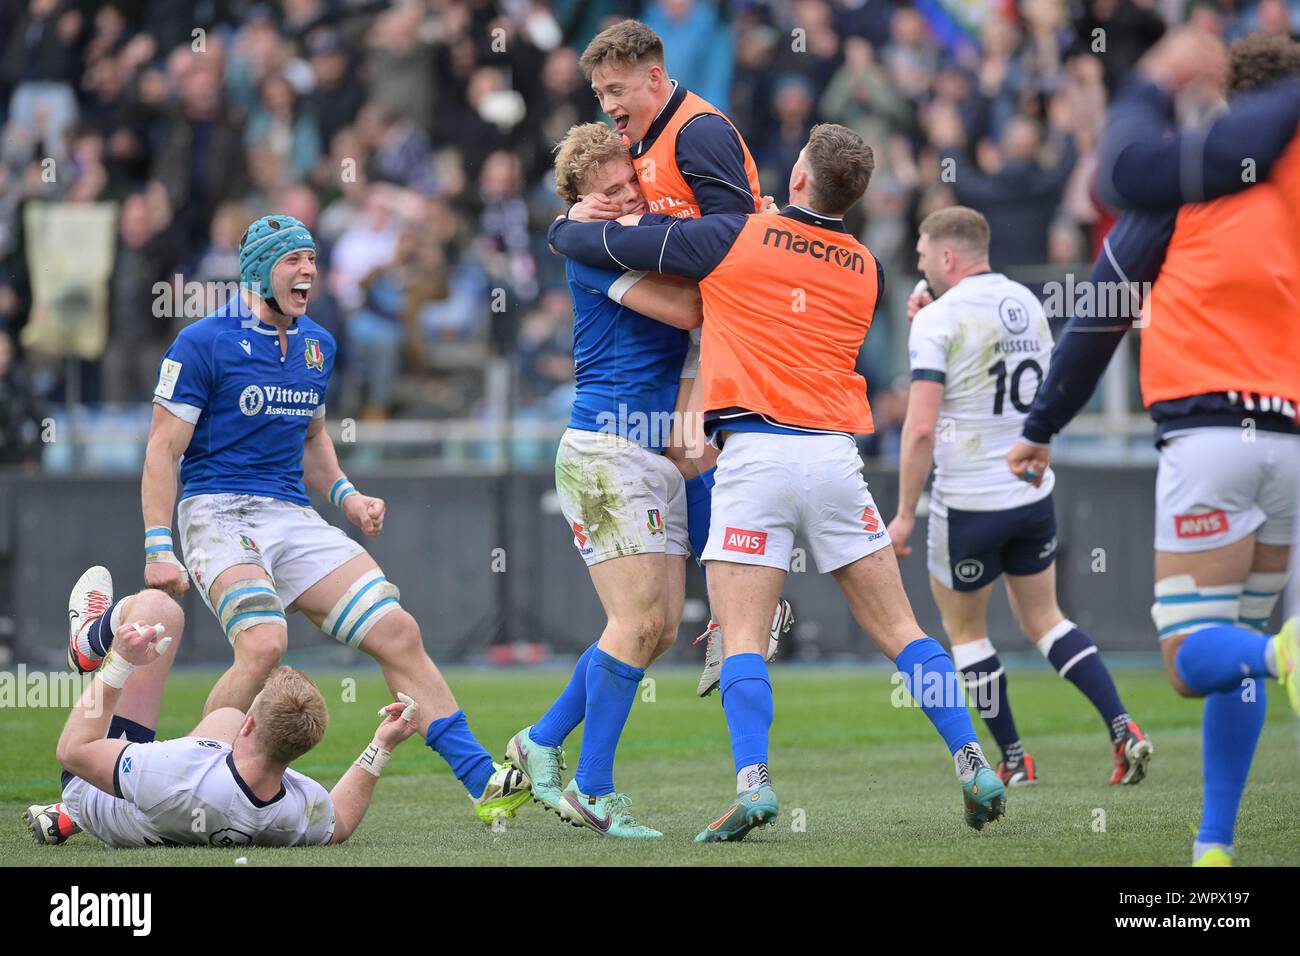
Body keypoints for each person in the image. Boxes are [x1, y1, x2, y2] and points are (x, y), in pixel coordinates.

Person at [550, 123, 1007, 842]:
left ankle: (755, 786)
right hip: (833, 457)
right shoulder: (866, 266)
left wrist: (567, 221)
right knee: (903, 629)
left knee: (741, 638)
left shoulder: (737, 237)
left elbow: (611, 246)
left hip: (754, 458)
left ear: (796, 179)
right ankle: (974, 761)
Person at [104, 213, 529, 827]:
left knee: (399, 632)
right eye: (292, 260)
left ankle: (483, 783)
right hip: (218, 511)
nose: (308, 271)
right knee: (264, 643)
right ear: (258, 271)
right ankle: (171, 797)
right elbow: (162, 451)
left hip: (292, 515)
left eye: (312, 259)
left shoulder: (317, 344)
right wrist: (156, 543)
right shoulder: (201, 342)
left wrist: (349, 496)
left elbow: (313, 440)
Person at [1007, 32, 1300, 866]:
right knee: (1236, 643)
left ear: (1230, 106)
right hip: (1287, 444)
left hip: (1208, 436)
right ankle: (1214, 845)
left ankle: (1290, 650)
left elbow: (1100, 313)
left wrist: (1040, 429)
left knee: (1190, 656)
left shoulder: (1193, 187)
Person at [888, 206, 1151, 787]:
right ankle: (1122, 725)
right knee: (1047, 620)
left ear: (948, 257)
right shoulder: (1026, 303)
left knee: (966, 632)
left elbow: (923, 427)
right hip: (1030, 491)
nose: (921, 263)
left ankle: (1013, 759)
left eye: (925, 254)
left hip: (968, 502)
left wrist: (905, 513)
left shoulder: (938, 321)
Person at [574, 19, 790, 695]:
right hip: (708, 320)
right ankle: (740, 611)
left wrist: (633, 228)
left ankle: (748, 605)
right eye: (599, 92)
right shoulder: (644, 142)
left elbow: (728, 237)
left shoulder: (697, 131)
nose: (608, 104)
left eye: (616, 88)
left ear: (654, 78)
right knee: (683, 448)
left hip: (734, 318)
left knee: (696, 450)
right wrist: (574, 225)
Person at [504, 123, 701, 838]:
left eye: (629, 185)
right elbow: (687, 308)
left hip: (648, 453)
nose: (623, 200)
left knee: (661, 629)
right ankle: (594, 787)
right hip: (605, 447)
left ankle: (541, 739)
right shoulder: (591, 248)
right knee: (638, 622)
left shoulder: (626, 228)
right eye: (607, 192)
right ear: (582, 203)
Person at [28, 566, 418, 848]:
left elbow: (74, 752)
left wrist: (120, 665)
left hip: (95, 791)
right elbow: (342, 820)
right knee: (223, 717)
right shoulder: (298, 811)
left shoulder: (175, 769)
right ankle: (63, 817)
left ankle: (87, 641)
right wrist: (381, 746)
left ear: (250, 728)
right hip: (180, 806)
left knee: (158, 609)